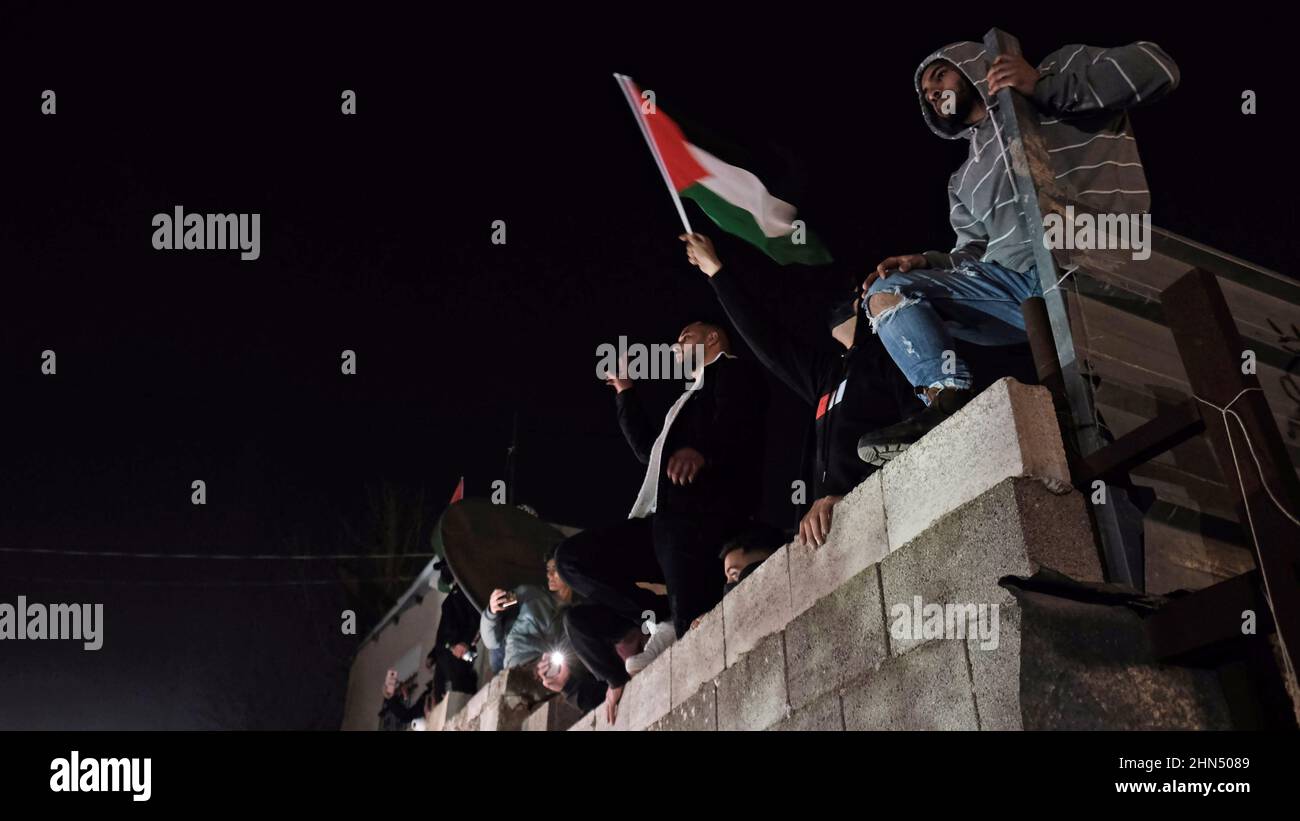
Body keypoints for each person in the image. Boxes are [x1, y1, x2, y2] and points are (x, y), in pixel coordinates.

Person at [855, 39, 1180, 464]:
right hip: (1019, 290)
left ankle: (1092, 426)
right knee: (887, 291)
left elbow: (1159, 68)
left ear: (974, 66)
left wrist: (1043, 86)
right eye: (925, 93)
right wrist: (931, 262)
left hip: (1094, 259)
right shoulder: (964, 177)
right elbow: (974, 251)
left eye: (940, 76)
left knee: (1105, 408)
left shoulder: (1059, 74)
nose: (932, 93)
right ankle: (946, 400)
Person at [557, 319, 767, 724]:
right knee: (573, 559)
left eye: (685, 337)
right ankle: (656, 617)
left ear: (713, 338)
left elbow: (742, 420)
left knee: (690, 612)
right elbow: (648, 452)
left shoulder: (733, 371)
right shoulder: (686, 399)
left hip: (709, 516)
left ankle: (683, 627)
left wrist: (702, 451)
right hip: (663, 523)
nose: (675, 346)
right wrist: (625, 392)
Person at [681, 232, 915, 547]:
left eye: (853, 296)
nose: (838, 305)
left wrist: (851, 494)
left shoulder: (894, 356)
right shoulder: (825, 374)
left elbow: (916, 438)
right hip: (823, 532)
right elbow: (767, 341)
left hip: (884, 515)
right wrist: (716, 271)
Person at [429, 571, 480, 701]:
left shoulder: (468, 591)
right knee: (440, 695)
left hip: (458, 651)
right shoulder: (448, 602)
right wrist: (433, 654)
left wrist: (465, 641)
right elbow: (443, 631)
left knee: (462, 691)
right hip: (443, 655)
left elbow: (475, 617)